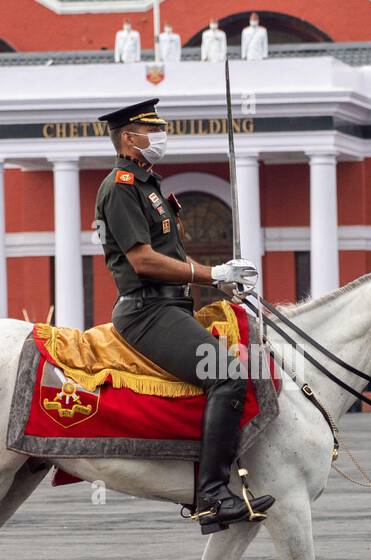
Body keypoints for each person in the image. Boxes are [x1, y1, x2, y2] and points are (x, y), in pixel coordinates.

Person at [94, 98, 274, 532]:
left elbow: (170, 255)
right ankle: (211, 495)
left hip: (172, 305)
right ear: (128, 137)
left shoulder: (148, 184)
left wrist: (221, 283)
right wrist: (211, 273)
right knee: (227, 373)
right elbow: (143, 261)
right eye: (151, 129)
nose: (160, 136)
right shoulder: (120, 186)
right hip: (147, 310)